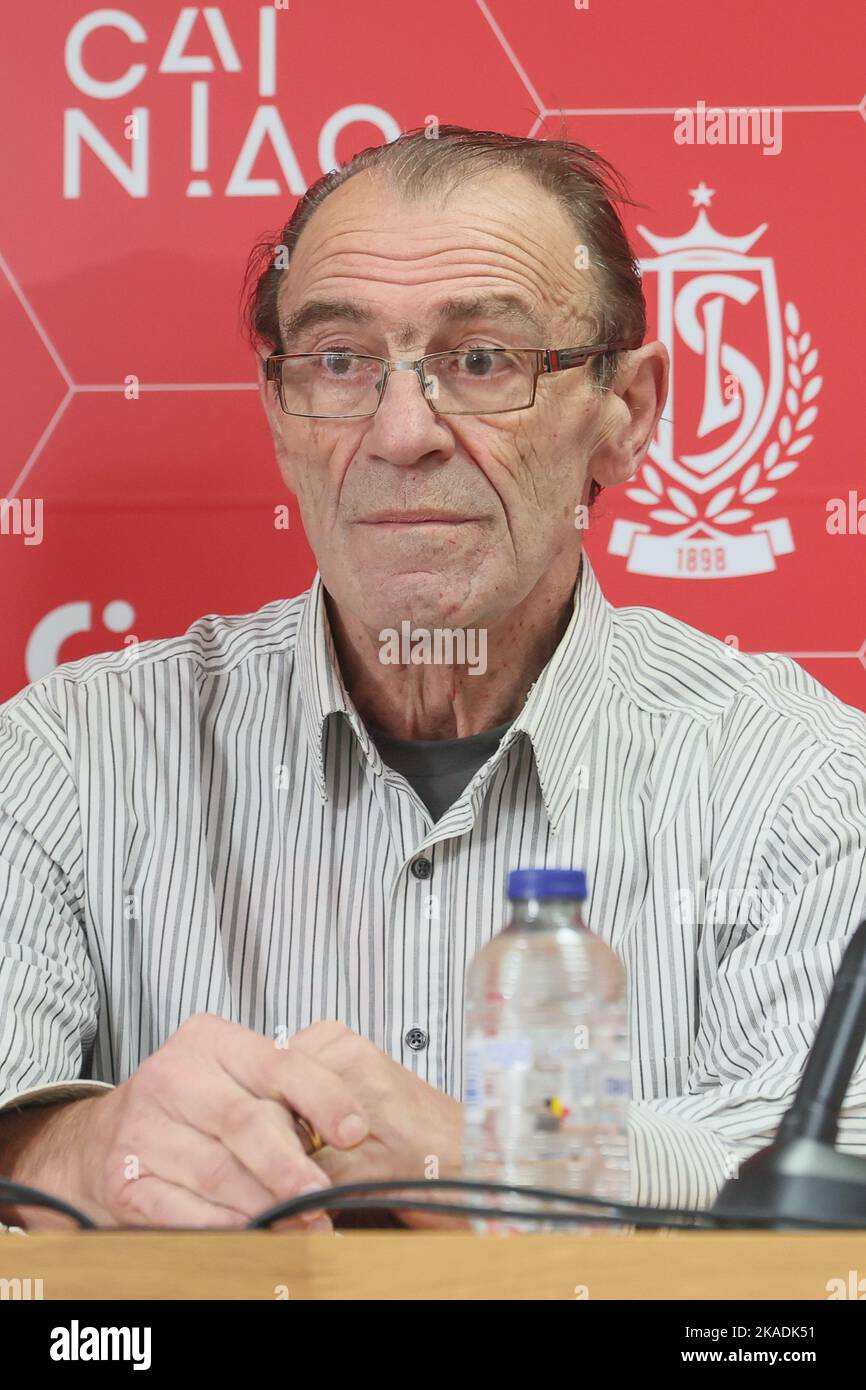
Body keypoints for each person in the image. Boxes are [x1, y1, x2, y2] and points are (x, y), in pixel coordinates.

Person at [1, 127, 865, 1232]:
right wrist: (79, 1145)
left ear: (627, 413)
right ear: (279, 412)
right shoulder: (68, 754)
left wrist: (476, 1159)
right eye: (340, 363)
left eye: (483, 359)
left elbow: (830, 1183)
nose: (401, 431)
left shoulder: (799, 777)